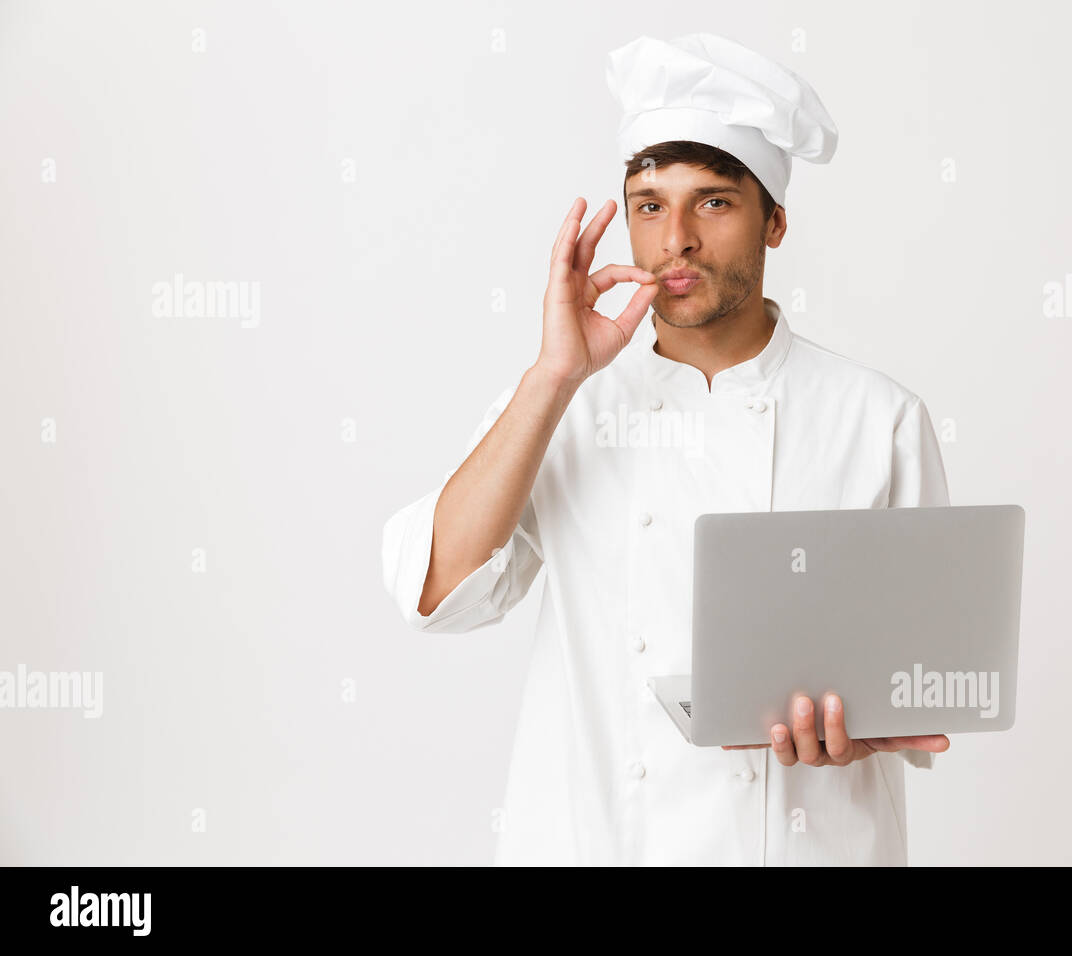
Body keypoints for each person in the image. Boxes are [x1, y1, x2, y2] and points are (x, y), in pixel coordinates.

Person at [382, 33, 951, 865]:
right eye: (649, 204)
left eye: (713, 202)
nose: (675, 237)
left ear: (777, 221)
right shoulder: (562, 404)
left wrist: (865, 730)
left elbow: (928, 682)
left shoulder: (879, 418)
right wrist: (551, 376)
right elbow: (434, 592)